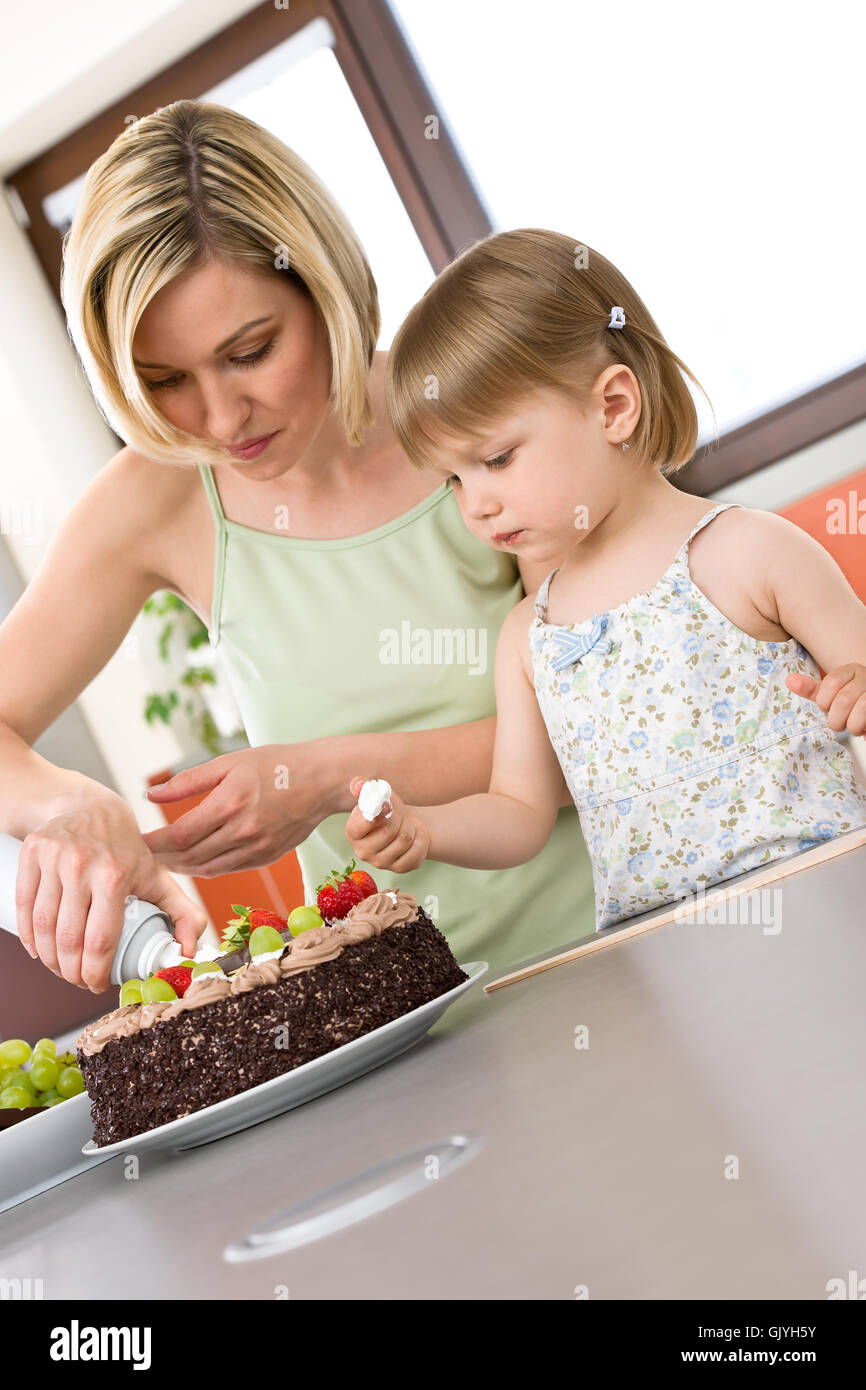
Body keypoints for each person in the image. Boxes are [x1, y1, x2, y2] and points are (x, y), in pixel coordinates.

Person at [0, 103, 595, 992]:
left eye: (250, 351)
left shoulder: (467, 411)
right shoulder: (156, 497)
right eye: (166, 380)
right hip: (404, 1016)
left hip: (620, 933)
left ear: (323, 289)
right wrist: (67, 803)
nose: (220, 418)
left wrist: (320, 776)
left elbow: (604, 708)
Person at [345, 228, 866, 928]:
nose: (477, 504)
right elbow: (519, 811)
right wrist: (426, 828)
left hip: (829, 916)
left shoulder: (751, 551)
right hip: (661, 962)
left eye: (497, 459)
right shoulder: (529, 636)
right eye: (454, 480)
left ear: (614, 406)